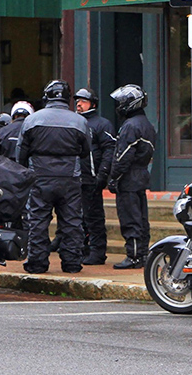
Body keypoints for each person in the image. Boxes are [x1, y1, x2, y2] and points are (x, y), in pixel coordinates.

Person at [17, 80, 91, 274]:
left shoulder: (33, 120)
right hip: (69, 177)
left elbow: (21, 153)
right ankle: (72, 262)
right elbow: (85, 151)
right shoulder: (79, 121)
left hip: (40, 176)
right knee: (72, 221)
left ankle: (37, 263)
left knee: (38, 221)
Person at [108, 84, 156, 269]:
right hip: (141, 175)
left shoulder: (130, 126)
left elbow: (122, 156)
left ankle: (134, 255)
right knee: (141, 218)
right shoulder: (147, 124)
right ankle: (142, 254)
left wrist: (114, 177)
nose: (118, 106)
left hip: (129, 178)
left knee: (130, 218)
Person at [74, 87, 116, 265]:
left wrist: (103, 173)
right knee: (78, 217)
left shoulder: (102, 124)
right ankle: (82, 249)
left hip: (92, 177)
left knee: (94, 216)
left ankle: (98, 252)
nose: (78, 104)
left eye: (83, 101)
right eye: (77, 101)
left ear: (93, 104)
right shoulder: (74, 122)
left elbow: (109, 150)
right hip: (75, 177)